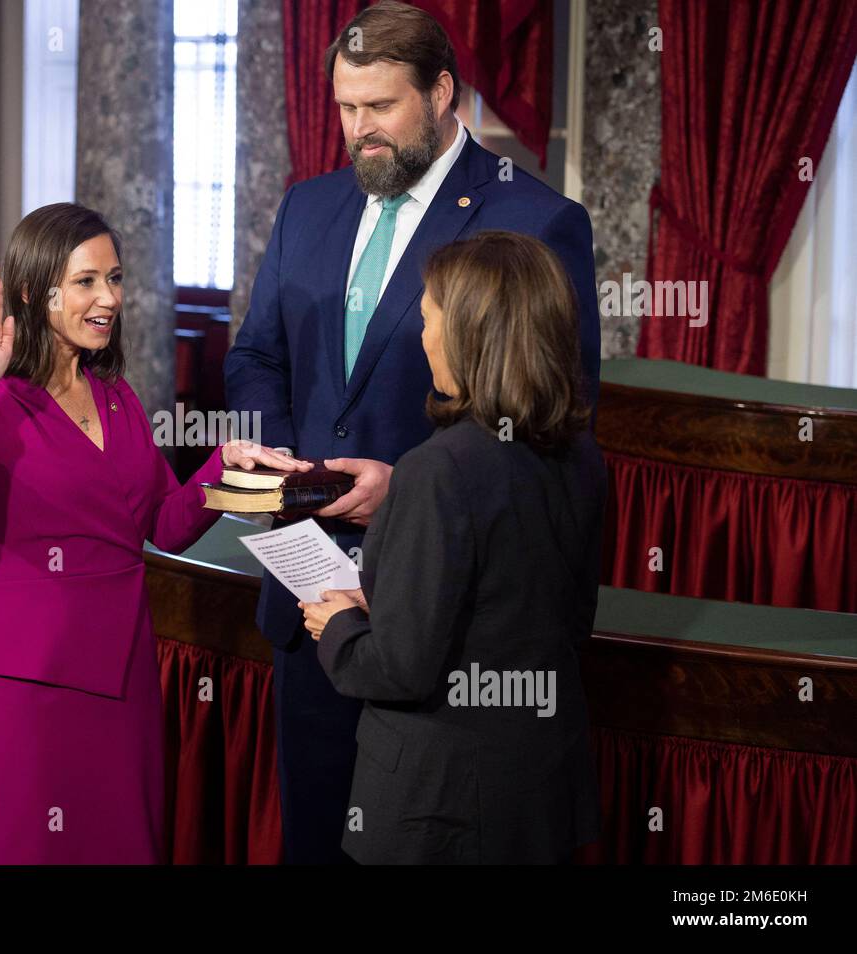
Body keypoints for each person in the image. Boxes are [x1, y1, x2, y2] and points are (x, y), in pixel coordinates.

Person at [225, 0, 601, 863]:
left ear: (440, 94)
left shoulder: (537, 222)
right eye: (345, 107)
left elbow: (561, 427)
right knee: (319, 844)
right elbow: (255, 357)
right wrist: (283, 459)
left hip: (448, 632)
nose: (359, 129)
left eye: (380, 106)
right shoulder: (307, 207)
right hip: (311, 600)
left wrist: (408, 488)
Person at [0, 202, 305, 863]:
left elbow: (164, 525)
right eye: (87, 281)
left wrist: (225, 465)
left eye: (115, 278)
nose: (109, 298)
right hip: (32, 682)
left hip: (125, 672)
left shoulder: (116, 398)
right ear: (36, 293)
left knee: (126, 844)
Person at [300, 231, 604, 863]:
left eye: (429, 315)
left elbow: (397, 669)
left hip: (440, 808)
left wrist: (338, 625)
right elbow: (561, 620)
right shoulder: (581, 454)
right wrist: (391, 599)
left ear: (470, 332)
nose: (422, 335)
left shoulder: (439, 469)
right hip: (540, 789)